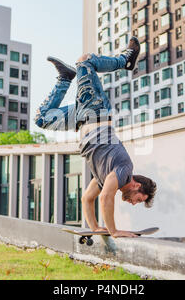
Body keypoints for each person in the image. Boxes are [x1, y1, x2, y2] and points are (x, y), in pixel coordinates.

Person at [34, 37, 157, 238]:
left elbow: (87, 199)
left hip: (81, 118)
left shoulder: (105, 177)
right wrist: (114, 231)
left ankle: (65, 78)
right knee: (85, 61)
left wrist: (95, 228)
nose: (133, 203)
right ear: (135, 185)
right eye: (138, 199)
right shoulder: (124, 170)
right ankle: (125, 60)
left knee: (42, 119)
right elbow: (105, 198)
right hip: (95, 111)